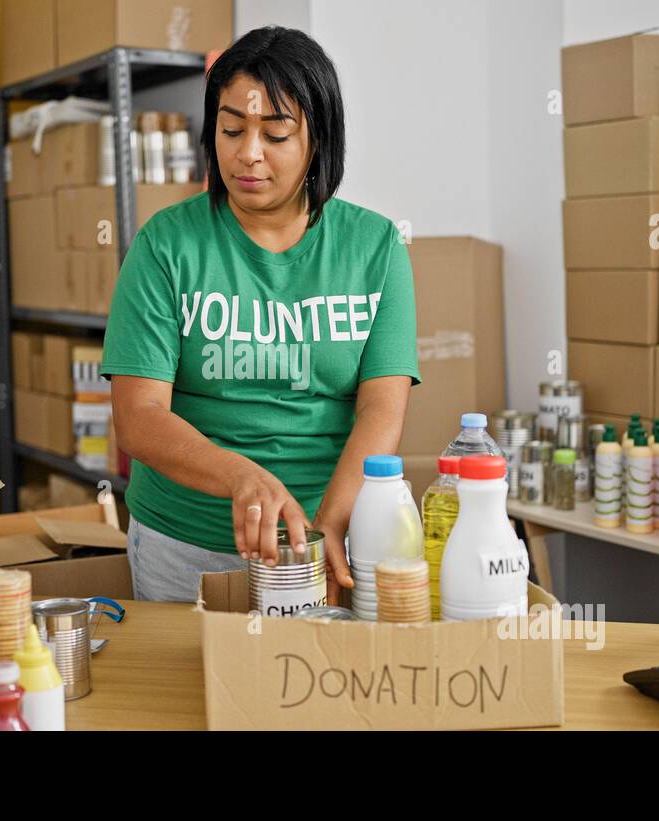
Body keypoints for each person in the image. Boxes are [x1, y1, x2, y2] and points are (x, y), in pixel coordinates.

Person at [101, 26, 420, 602]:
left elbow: (382, 408)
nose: (247, 152)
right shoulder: (166, 245)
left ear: (318, 140)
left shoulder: (375, 248)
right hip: (185, 545)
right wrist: (240, 477)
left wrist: (333, 523)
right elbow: (139, 416)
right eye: (230, 129)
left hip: (323, 540)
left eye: (275, 133)